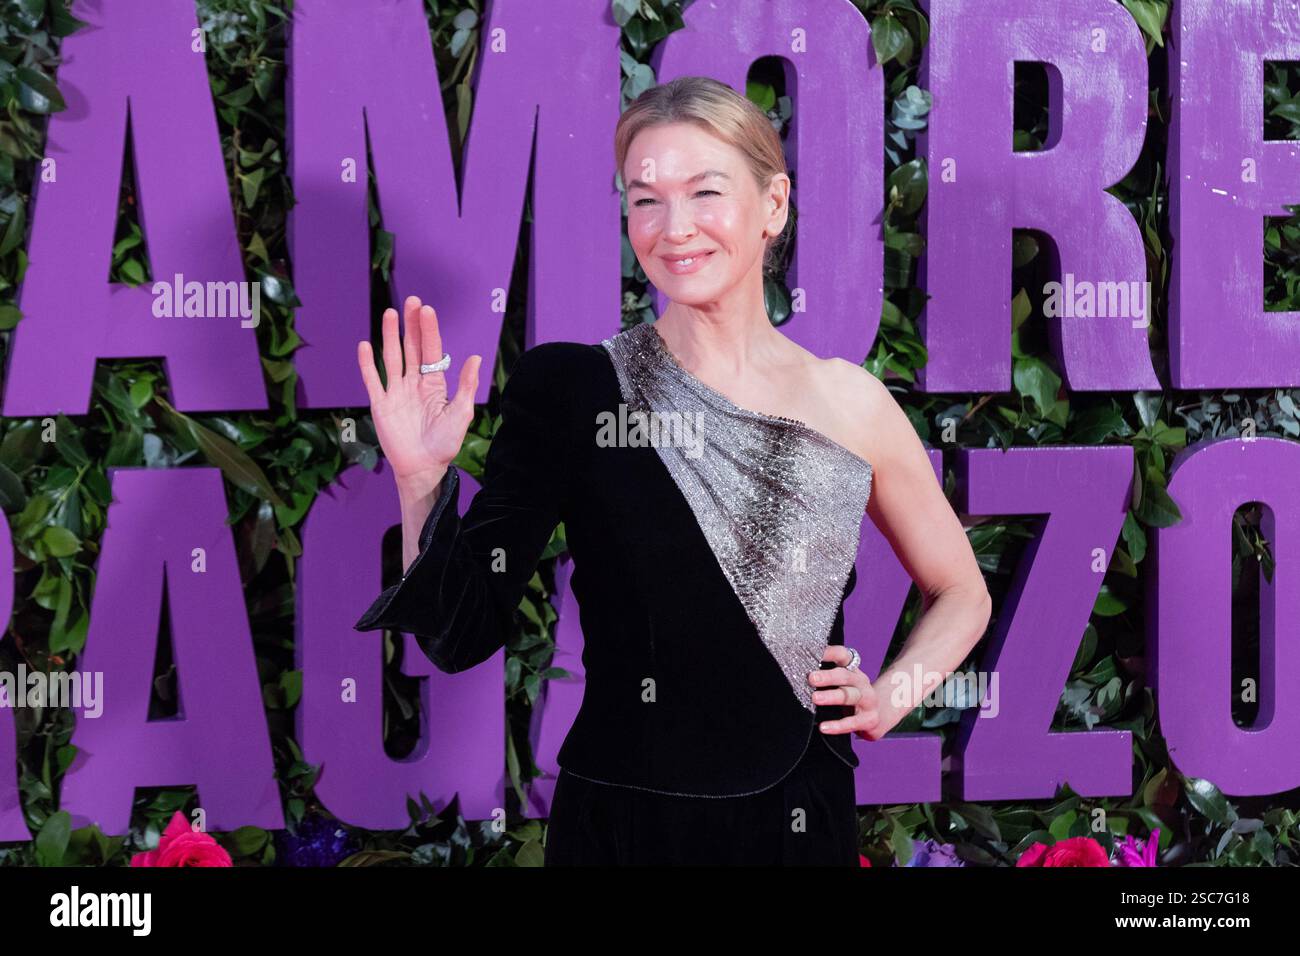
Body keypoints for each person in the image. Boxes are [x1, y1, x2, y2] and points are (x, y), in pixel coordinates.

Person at [353, 76, 991, 866]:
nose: (674, 226)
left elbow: (963, 591)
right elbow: (462, 631)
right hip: (622, 826)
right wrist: (420, 481)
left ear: (774, 205)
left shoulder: (851, 402)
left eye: (705, 191)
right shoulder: (573, 388)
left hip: (797, 819)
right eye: (645, 198)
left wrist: (889, 698)